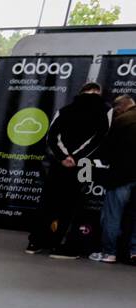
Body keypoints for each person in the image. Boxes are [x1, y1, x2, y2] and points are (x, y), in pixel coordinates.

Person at [26, 82, 110, 258]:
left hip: (59, 164)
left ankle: (36, 241)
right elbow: (99, 139)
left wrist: (64, 157)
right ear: (98, 93)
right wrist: (77, 158)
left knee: (49, 201)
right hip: (84, 165)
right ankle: (63, 244)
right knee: (74, 204)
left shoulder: (65, 109)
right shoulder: (105, 110)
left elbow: (52, 137)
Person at [90, 95, 136, 264]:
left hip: (121, 176)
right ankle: (134, 252)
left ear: (119, 108)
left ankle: (109, 253)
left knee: (112, 215)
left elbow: (107, 150)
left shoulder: (122, 121)